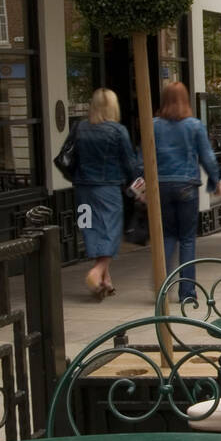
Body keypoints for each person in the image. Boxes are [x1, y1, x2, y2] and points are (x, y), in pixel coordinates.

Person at [153, 81, 221, 299]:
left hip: (161, 186)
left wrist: (141, 184)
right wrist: (215, 180)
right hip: (186, 186)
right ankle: (187, 291)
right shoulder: (194, 125)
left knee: (167, 236)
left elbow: (142, 157)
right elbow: (207, 156)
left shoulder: (153, 125)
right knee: (187, 239)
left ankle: (161, 288)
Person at [72, 87, 139, 299]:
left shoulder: (78, 128)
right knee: (110, 230)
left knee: (90, 228)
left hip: (82, 189)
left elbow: (68, 158)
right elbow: (129, 163)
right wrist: (137, 181)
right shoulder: (117, 131)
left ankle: (105, 281)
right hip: (108, 188)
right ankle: (97, 271)